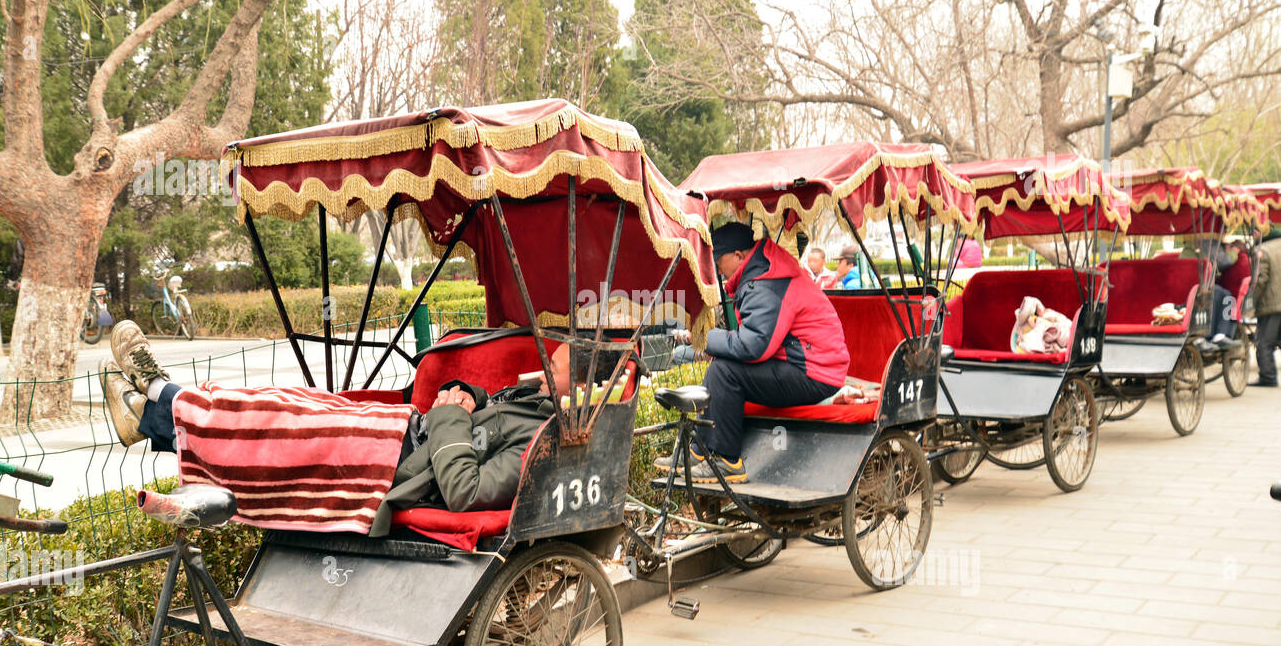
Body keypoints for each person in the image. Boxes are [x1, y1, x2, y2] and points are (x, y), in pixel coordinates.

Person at [98, 321, 622, 535]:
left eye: (550, 369)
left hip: (394, 468)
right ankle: (153, 408)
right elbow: (494, 411)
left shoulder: (545, 439)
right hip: (402, 431)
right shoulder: (538, 401)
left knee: (282, 429)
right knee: (289, 400)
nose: (538, 371)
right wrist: (469, 397)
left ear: (573, 389)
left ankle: (155, 399)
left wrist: (449, 415)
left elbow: (465, 492)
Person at [656, 222, 850, 482]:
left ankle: (727, 460)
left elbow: (753, 346)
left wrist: (704, 338)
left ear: (738, 256)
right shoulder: (763, 274)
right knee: (723, 368)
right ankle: (699, 452)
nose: (717, 268)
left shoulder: (767, 283)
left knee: (725, 372)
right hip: (799, 364)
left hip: (815, 373)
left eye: (718, 260)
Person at [1250, 225, 1281, 387]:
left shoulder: (1262, 251)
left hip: (1272, 304)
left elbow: (1260, 280)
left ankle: (1268, 377)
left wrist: (1252, 302)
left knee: (1264, 342)